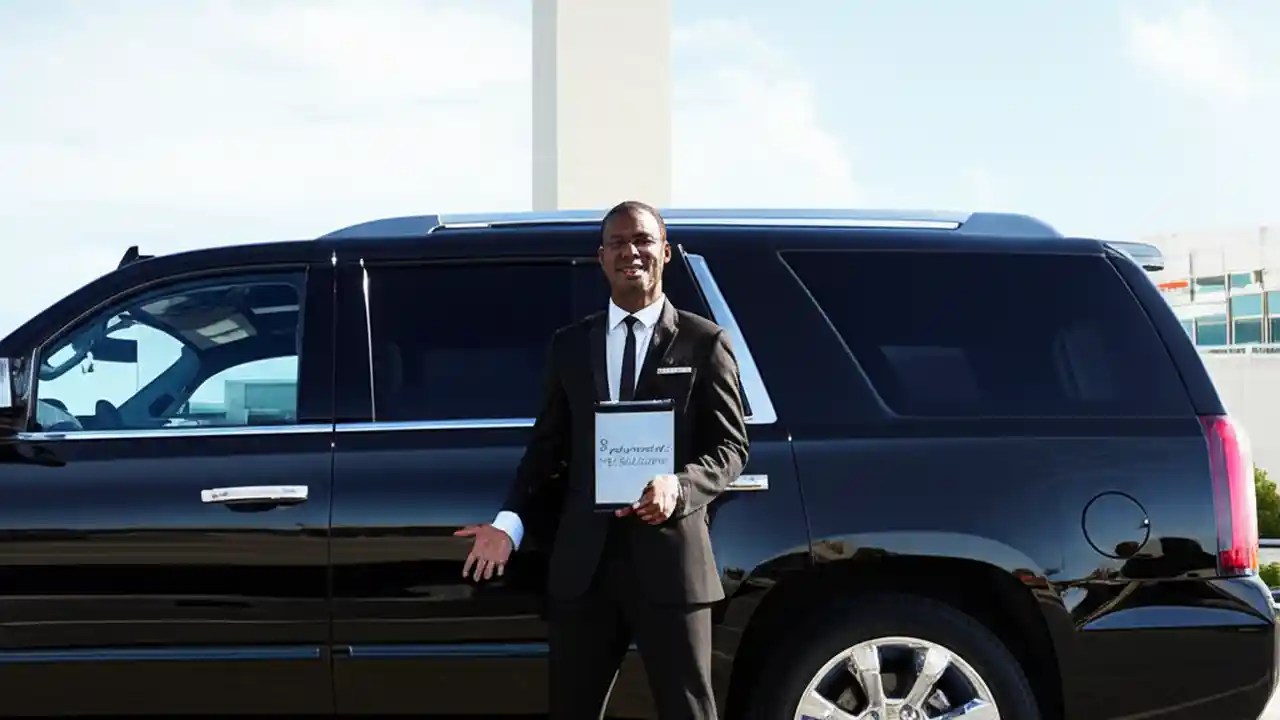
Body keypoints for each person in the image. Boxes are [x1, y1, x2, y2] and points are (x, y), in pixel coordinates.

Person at [454, 200, 750, 719]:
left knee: (689, 710)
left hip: (671, 563)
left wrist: (680, 486)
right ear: (601, 257)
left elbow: (731, 448)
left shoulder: (705, 343)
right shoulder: (570, 346)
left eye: (642, 240)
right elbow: (546, 451)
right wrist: (508, 523)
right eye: (617, 242)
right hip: (584, 568)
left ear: (666, 252)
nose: (629, 252)